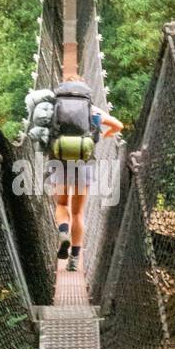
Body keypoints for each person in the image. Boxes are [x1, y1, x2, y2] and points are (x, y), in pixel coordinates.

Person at [51, 88, 122, 272]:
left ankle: (64, 232)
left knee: (61, 205)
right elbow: (118, 125)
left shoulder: (55, 106)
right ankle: (74, 259)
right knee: (77, 213)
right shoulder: (92, 108)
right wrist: (107, 134)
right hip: (84, 164)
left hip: (60, 162)